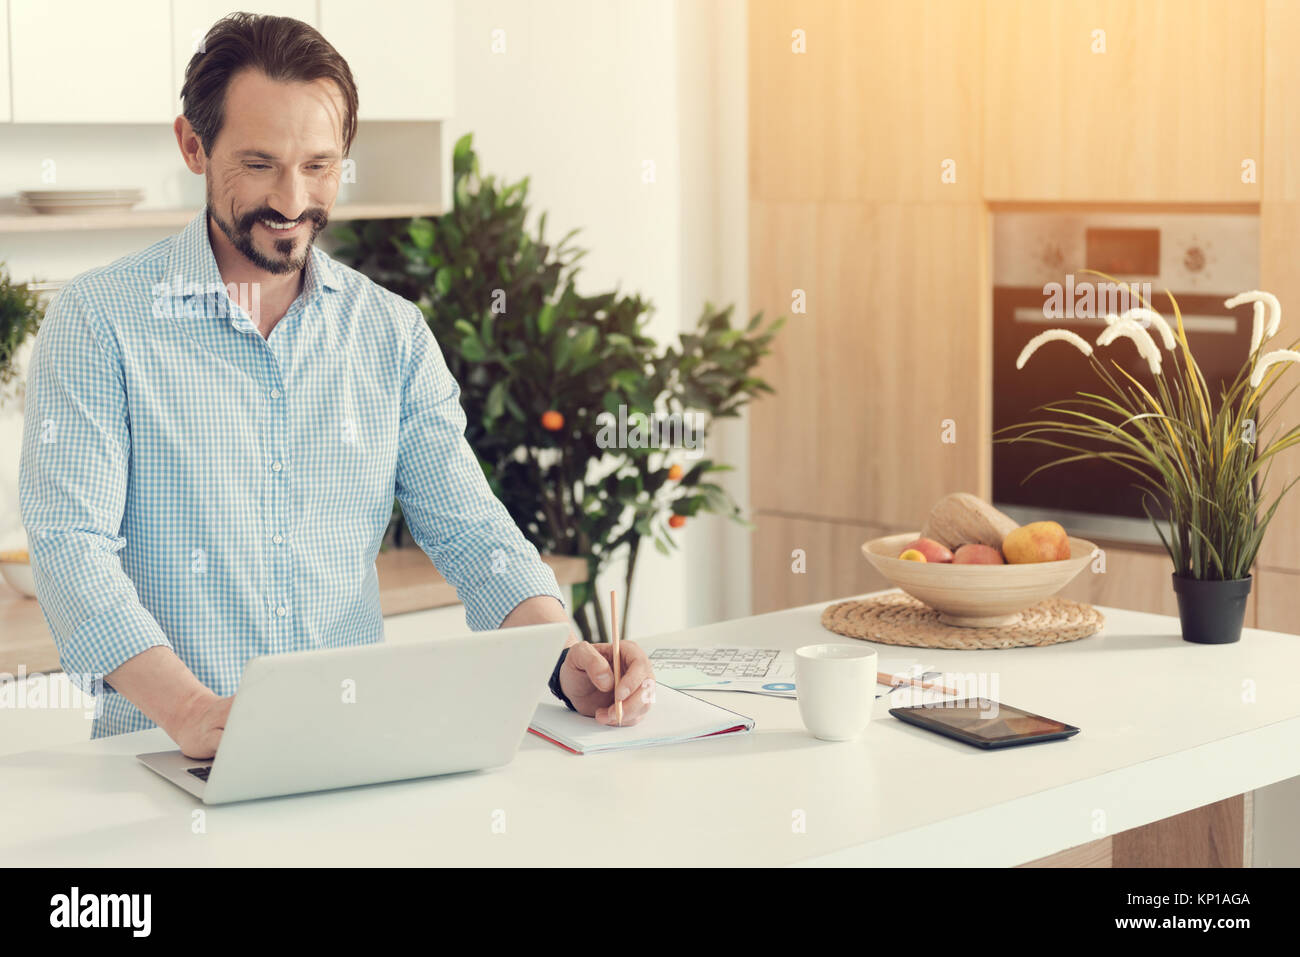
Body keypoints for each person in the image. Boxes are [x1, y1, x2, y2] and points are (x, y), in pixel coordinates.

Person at [18, 12, 653, 758]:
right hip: (165, 758)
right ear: (193, 144)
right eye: (259, 164)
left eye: (318, 166)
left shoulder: (390, 334)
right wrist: (189, 711)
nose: (292, 200)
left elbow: (470, 528)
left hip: (348, 751)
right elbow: (71, 548)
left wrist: (562, 654)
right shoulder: (101, 323)